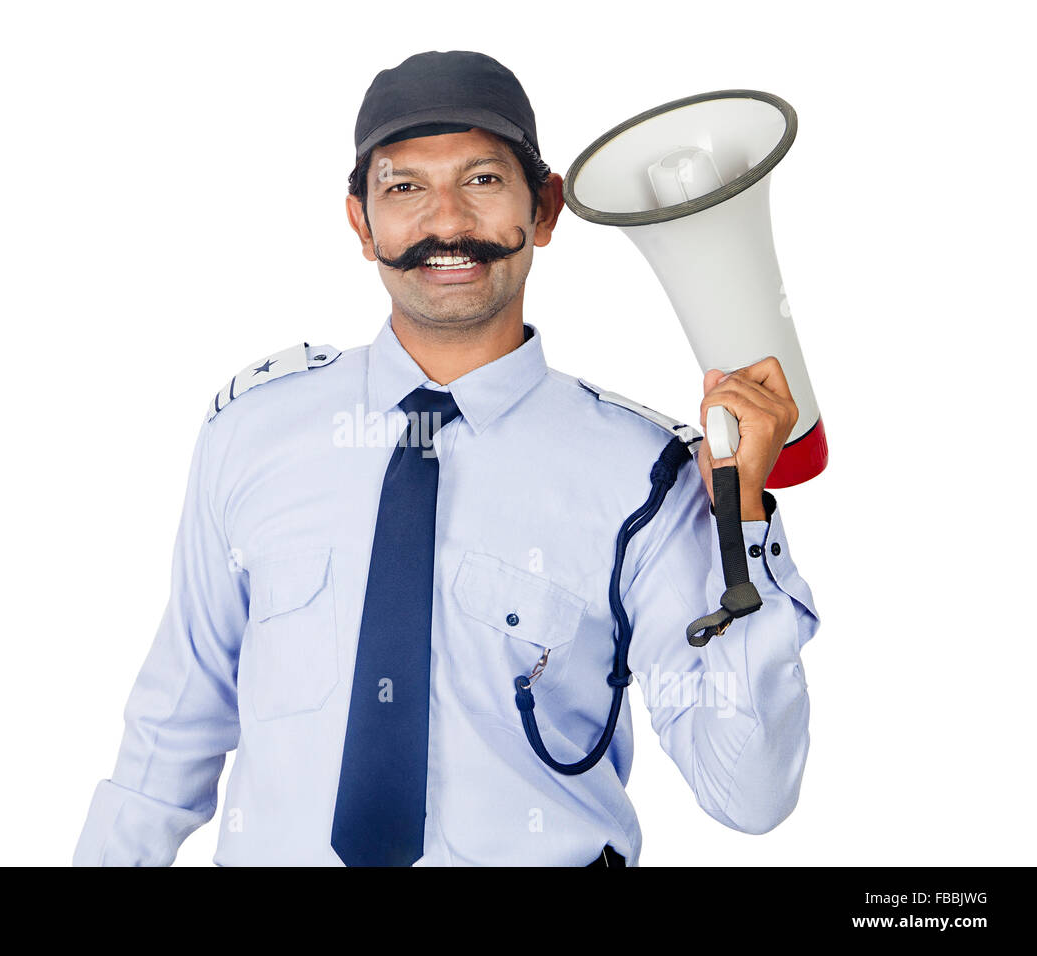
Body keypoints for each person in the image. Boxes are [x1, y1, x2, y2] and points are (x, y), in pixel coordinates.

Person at [72, 50, 820, 867]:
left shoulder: (648, 478)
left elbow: (748, 792)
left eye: (483, 180)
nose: (446, 222)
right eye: (403, 187)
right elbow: (169, 740)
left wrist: (740, 514)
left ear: (545, 210)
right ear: (361, 223)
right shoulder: (250, 436)